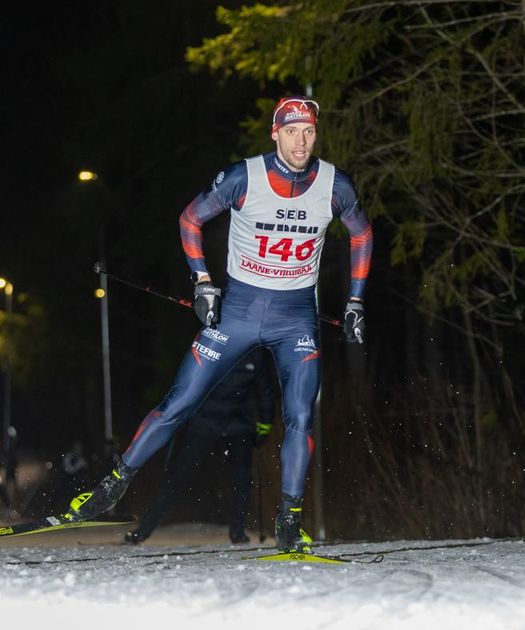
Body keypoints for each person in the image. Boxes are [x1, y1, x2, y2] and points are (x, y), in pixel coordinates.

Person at [65, 96, 372, 554]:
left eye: (308, 131)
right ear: (275, 133)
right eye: (291, 131)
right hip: (238, 314)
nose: (301, 141)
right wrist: (203, 281)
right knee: (178, 403)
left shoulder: (334, 185)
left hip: (295, 320)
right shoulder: (242, 177)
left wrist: (355, 302)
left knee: (301, 417)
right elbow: (190, 219)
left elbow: (362, 235)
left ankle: (289, 520)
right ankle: (113, 485)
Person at [124, 347, 277, 545]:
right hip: (204, 422)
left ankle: (238, 533)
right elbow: (189, 382)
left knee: (241, 478)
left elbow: (265, 391)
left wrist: (264, 426)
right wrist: (178, 415)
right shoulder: (212, 344)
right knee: (177, 476)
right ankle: (142, 531)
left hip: (239, 423)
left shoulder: (255, 353)